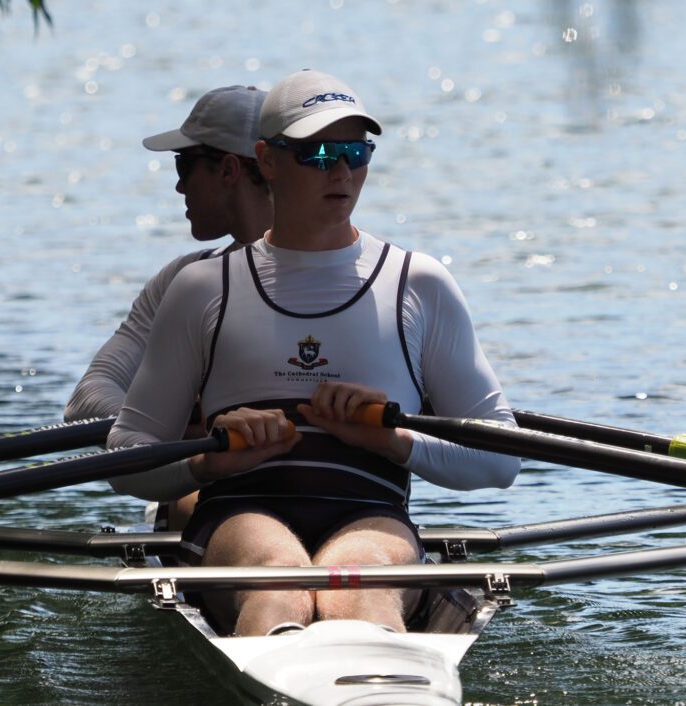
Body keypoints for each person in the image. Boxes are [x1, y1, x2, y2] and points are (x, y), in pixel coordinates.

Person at [106, 69, 520, 637]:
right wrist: (208, 462)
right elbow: (127, 456)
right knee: (277, 580)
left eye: (356, 152)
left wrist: (393, 440)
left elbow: (500, 458)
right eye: (319, 154)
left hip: (372, 518)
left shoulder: (418, 283)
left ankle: (379, 670)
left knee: (362, 589)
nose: (343, 171)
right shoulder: (203, 288)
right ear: (267, 160)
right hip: (240, 516)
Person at [64, 85, 272, 424]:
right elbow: (86, 399)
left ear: (228, 170)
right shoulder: (181, 279)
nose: (179, 186)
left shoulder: (342, 276)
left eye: (183, 165)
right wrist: (165, 423)